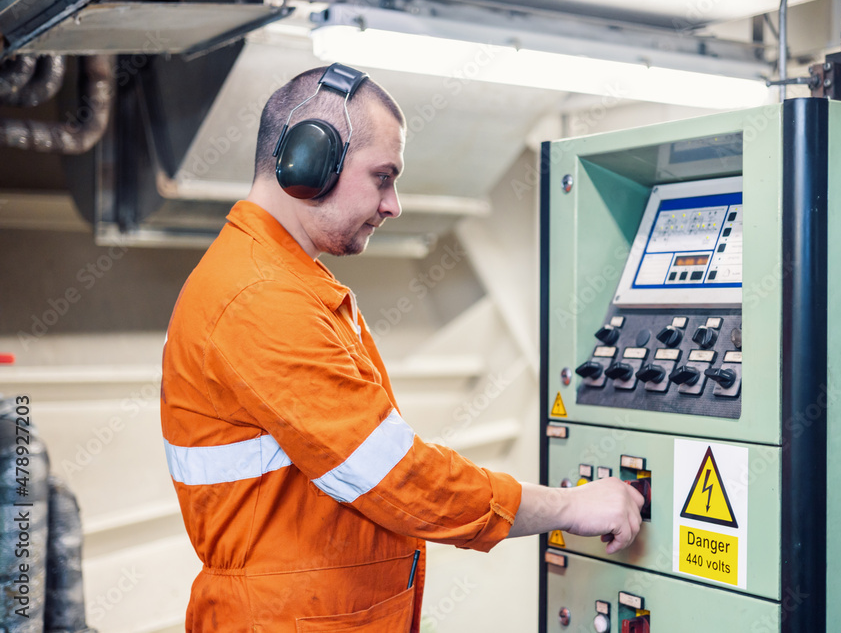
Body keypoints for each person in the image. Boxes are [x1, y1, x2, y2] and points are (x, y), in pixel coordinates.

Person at [160, 63, 645, 632]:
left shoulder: (281, 283)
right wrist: (572, 507)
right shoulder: (260, 298)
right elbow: (398, 478)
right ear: (309, 162)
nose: (393, 205)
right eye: (383, 176)